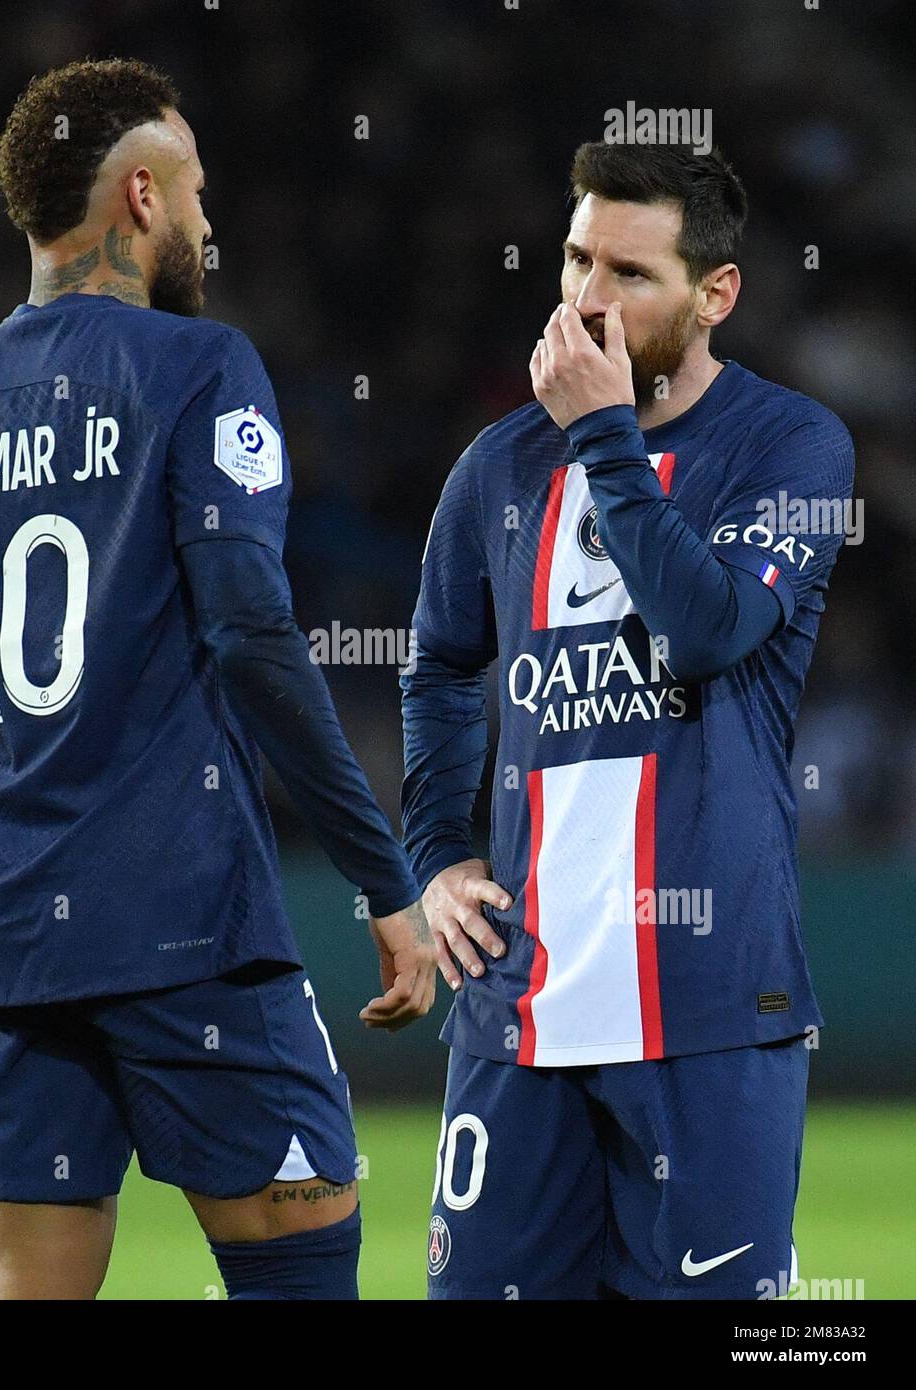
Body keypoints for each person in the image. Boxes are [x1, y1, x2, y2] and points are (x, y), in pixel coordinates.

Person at [0, 57, 433, 1302]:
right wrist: (385, 879)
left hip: (9, 944)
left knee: (30, 1290)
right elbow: (254, 635)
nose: (207, 222)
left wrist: (23, 827)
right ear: (136, 198)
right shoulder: (196, 370)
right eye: (194, 192)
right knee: (300, 1272)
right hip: (189, 929)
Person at [402, 140, 854, 1299]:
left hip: (708, 1008)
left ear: (716, 295)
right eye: (574, 260)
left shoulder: (788, 449)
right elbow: (443, 667)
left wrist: (605, 438)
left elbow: (704, 630)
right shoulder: (497, 469)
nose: (588, 301)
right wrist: (438, 855)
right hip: (522, 1009)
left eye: (630, 274)